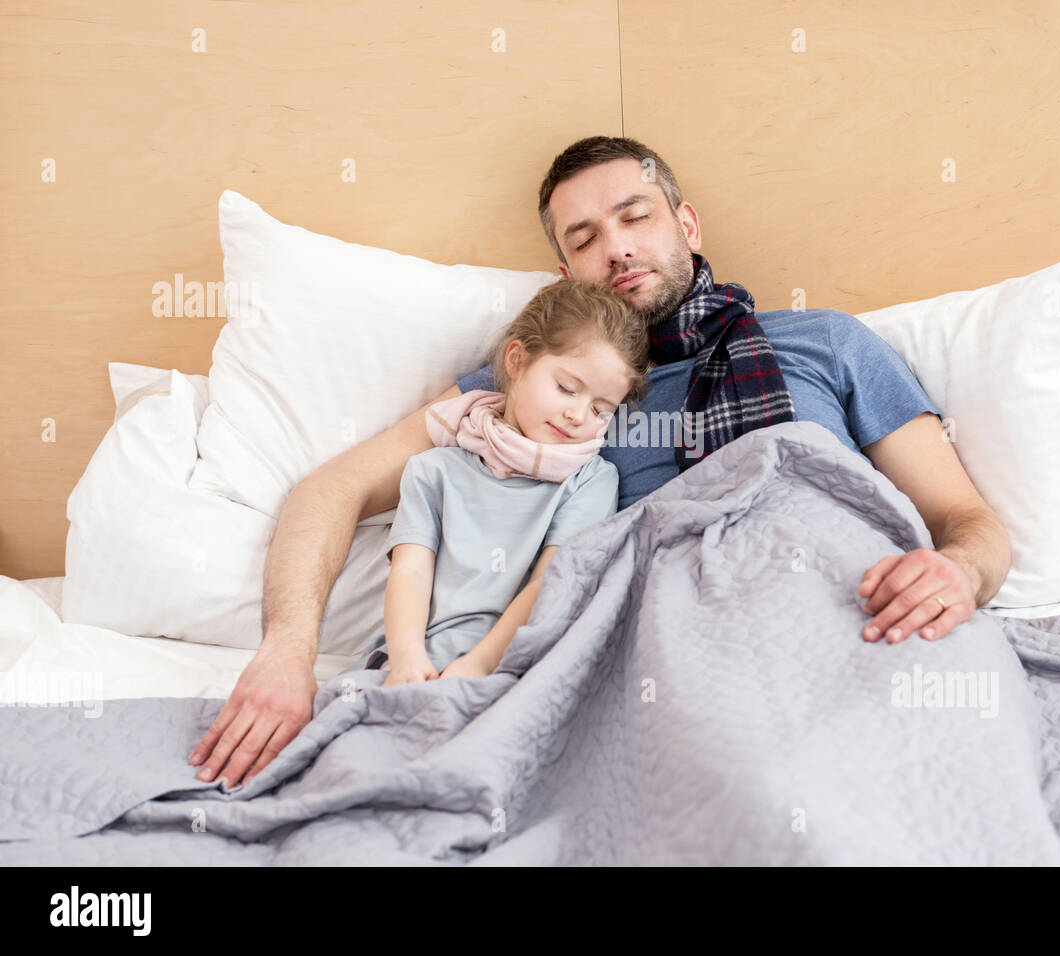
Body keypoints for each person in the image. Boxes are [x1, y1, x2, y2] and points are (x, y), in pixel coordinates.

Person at [190, 135, 1012, 788]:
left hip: (859, 613)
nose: (616, 248)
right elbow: (330, 491)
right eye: (585, 238)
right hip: (676, 654)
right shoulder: (539, 387)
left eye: (635, 216)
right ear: (566, 271)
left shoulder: (825, 341)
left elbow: (966, 523)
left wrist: (959, 575)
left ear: (685, 226)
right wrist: (287, 651)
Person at [359, 279, 649, 685]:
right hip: (418, 656)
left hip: (512, 665)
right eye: (567, 388)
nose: (578, 415)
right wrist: (408, 659)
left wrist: (479, 664)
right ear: (516, 361)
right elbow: (409, 572)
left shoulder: (590, 481)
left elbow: (549, 582)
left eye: (601, 410)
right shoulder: (434, 471)